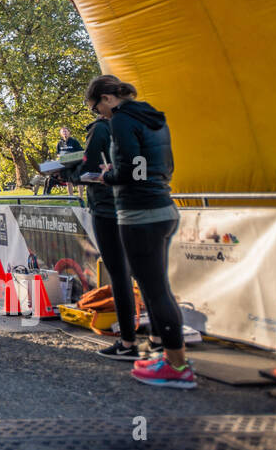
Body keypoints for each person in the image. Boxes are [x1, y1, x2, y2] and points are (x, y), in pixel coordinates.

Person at [80, 74, 193, 389]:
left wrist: (108, 176)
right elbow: (159, 165)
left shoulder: (120, 121)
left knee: (155, 292)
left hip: (140, 213)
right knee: (159, 289)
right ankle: (171, 356)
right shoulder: (152, 116)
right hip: (163, 207)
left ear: (107, 99)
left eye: (96, 108)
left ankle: (178, 365)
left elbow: (130, 168)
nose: (99, 115)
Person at [67, 107, 140, 360]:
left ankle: (129, 342)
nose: (93, 111)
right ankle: (159, 342)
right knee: (146, 276)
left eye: (94, 105)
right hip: (140, 205)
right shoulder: (144, 125)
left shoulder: (101, 128)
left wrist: (71, 174)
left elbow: (90, 167)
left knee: (119, 275)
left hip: (109, 207)